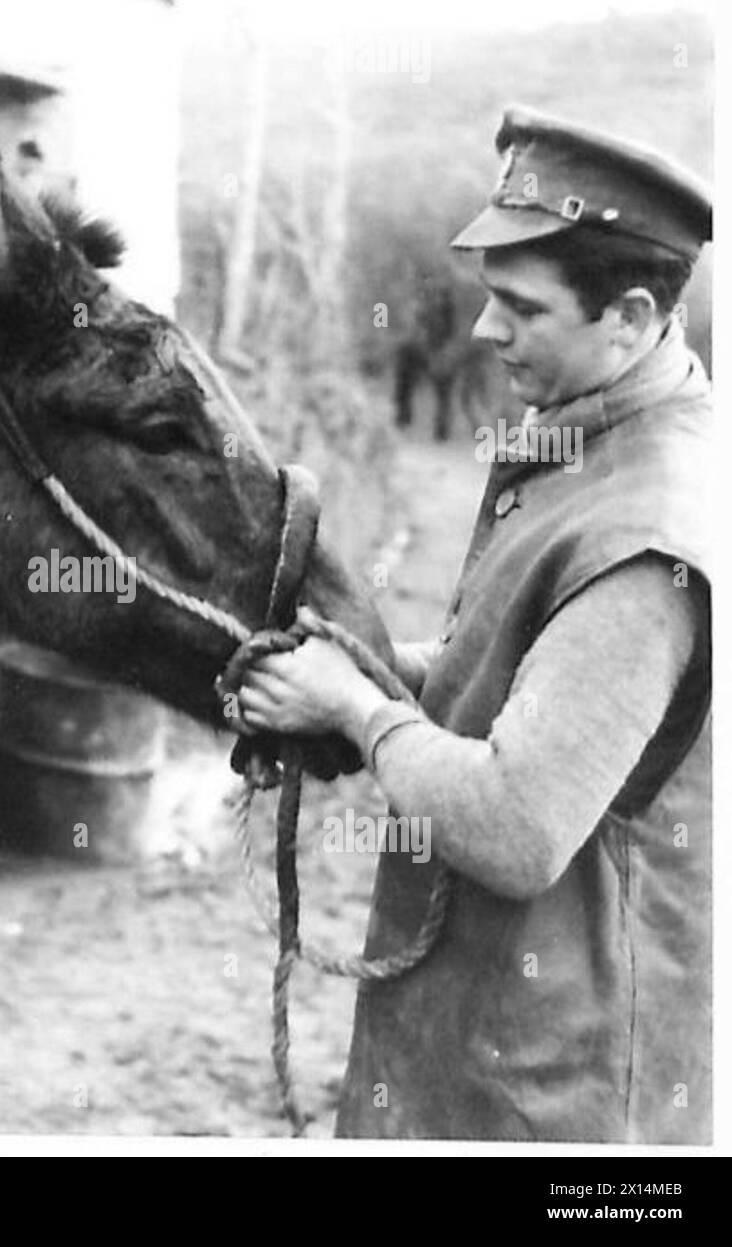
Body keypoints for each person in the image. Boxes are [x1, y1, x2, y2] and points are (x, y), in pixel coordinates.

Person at [239, 104, 712, 1142]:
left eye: (519, 307)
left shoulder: (647, 535)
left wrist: (362, 710)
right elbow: (509, 673)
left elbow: (515, 825)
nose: (481, 331)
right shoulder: (596, 432)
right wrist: (356, 663)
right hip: (496, 1032)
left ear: (628, 319)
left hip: (556, 1085)